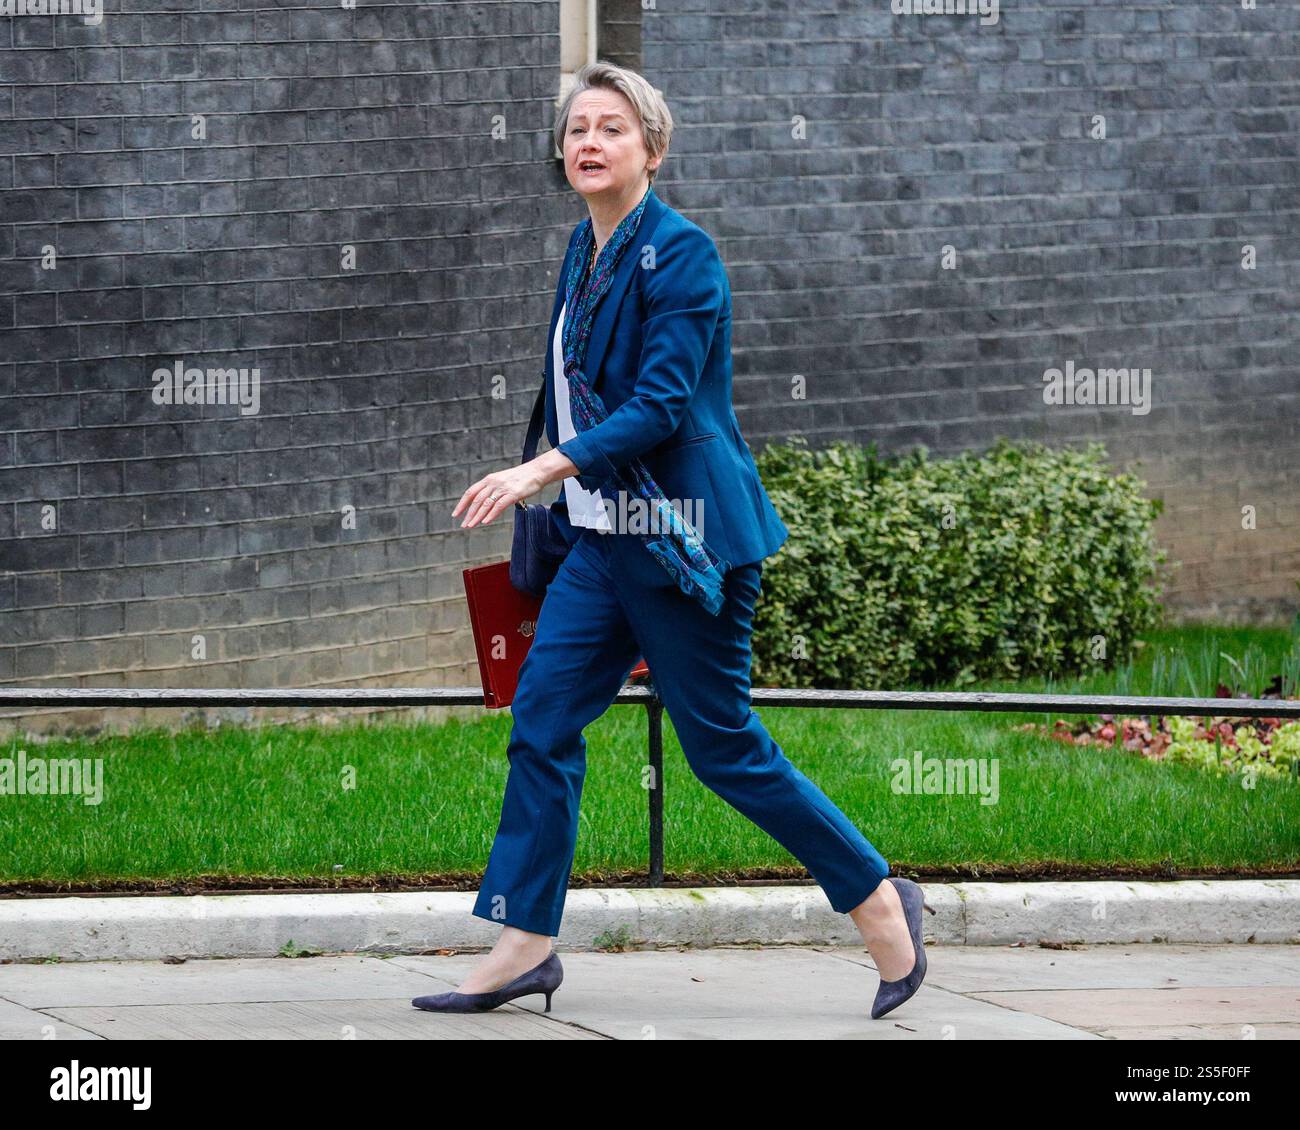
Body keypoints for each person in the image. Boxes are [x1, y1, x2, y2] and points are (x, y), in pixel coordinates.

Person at [416, 62, 929, 1020]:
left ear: (652, 146)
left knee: (722, 748)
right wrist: (566, 498)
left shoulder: (683, 255)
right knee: (543, 721)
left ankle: (875, 897)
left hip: (683, 542)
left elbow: (659, 405)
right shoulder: (584, 248)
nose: (588, 142)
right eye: (576, 127)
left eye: (611, 127)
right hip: (605, 545)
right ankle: (526, 940)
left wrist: (541, 471)